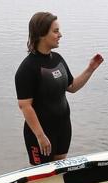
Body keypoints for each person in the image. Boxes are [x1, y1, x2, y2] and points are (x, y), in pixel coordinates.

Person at [15, 12, 103, 165]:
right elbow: (25, 105)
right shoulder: (27, 68)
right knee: (40, 177)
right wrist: (40, 136)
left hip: (63, 128)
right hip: (40, 134)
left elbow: (72, 86)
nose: (60, 35)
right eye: (55, 31)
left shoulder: (58, 59)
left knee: (59, 174)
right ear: (42, 34)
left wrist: (90, 69)